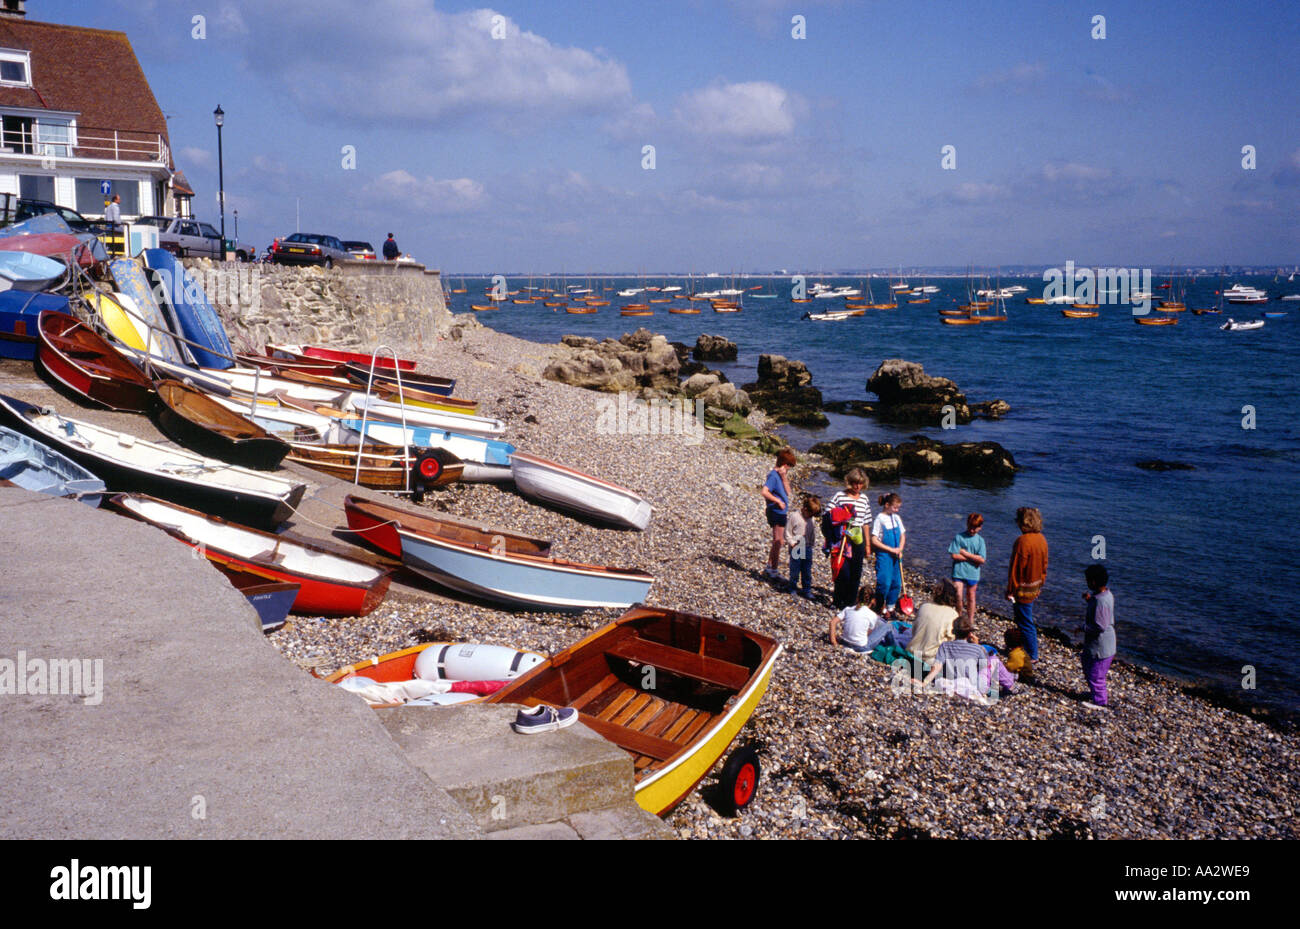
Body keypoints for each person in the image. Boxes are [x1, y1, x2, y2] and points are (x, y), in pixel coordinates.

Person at [920, 618, 1018, 701]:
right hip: (976, 686)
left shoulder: (945, 646)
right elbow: (985, 666)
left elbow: (937, 666)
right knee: (993, 660)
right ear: (969, 633)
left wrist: (925, 682)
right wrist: (978, 645)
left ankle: (1010, 679)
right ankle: (1011, 686)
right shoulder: (976, 648)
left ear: (953, 631)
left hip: (952, 680)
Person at [1005, 507, 1048, 662]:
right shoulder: (1042, 539)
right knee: (1024, 618)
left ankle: (1032, 654)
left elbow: (1016, 568)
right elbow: (1044, 565)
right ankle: (1025, 648)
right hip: (1035, 586)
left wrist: (1011, 589)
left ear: (1023, 522)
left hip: (1022, 589)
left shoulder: (1022, 541)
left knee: (1024, 620)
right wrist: (1040, 585)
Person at [829, 469, 872, 609]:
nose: (857, 486)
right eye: (854, 483)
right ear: (849, 482)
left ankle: (850, 602)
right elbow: (828, 514)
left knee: (856, 572)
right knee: (842, 571)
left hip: (858, 539)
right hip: (842, 539)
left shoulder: (864, 499)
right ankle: (837, 600)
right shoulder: (840, 496)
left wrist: (867, 545)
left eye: (860, 484)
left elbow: (866, 523)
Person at [1080, 564, 1115, 709]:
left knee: (1096, 675)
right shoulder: (1104, 594)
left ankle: (1100, 703)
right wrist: (1089, 600)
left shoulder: (1101, 601)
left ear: (1093, 582)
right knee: (1087, 665)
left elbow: (1100, 626)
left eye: (1088, 580)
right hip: (1095, 646)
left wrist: (1082, 628)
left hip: (1101, 647)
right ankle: (1095, 694)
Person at [760, 448, 796, 579]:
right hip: (776, 511)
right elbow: (764, 492)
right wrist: (778, 501)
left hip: (781, 511)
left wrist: (784, 476)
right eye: (789, 466)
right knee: (778, 541)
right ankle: (773, 570)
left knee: (778, 540)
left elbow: (788, 492)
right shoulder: (773, 476)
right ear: (785, 464)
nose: (789, 469)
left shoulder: (780, 476)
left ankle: (770, 566)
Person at [907, 580, 959, 667]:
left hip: (912, 652)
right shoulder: (953, 614)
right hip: (930, 658)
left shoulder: (924, 606)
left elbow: (914, 630)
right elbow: (952, 641)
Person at [830, 587, 897, 653]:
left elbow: (832, 622)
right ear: (873, 600)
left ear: (858, 597)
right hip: (861, 648)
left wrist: (834, 642)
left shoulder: (848, 609)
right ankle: (892, 649)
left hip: (845, 643)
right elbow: (868, 634)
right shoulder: (872, 615)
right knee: (888, 626)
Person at [948, 513, 986, 627]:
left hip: (972, 573)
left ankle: (970, 620)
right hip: (959, 572)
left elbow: (982, 560)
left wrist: (964, 553)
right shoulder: (959, 537)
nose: (972, 530)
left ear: (980, 527)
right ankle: (959, 617)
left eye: (975, 528)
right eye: (970, 527)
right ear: (967, 524)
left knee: (971, 596)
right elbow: (954, 555)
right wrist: (974, 558)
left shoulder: (980, 541)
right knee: (958, 595)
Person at [871, 493, 905, 617]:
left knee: (896, 582)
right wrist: (890, 549)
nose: (897, 510)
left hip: (896, 555)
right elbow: (874, 540)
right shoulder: (880, 519)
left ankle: (891, 606)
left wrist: (900, 549)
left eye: (898, 508)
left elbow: (902, 535)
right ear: (887, 505)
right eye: (895, 507)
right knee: (884, 582)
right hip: (884, 555)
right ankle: (880, 606)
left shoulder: (896, 518)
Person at [786, 495, 821, 599]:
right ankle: (792, 588)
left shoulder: (812, 519)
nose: (811, 516)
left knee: (807, 570)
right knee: (795, 570)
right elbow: (788, 532)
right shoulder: (794, 516)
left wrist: (811, 544)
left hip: (807, 547)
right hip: (796, 546)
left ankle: (806, 589)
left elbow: (811, 533)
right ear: (805, 509)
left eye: (813, 515)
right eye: (810, 514)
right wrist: (791, 542)